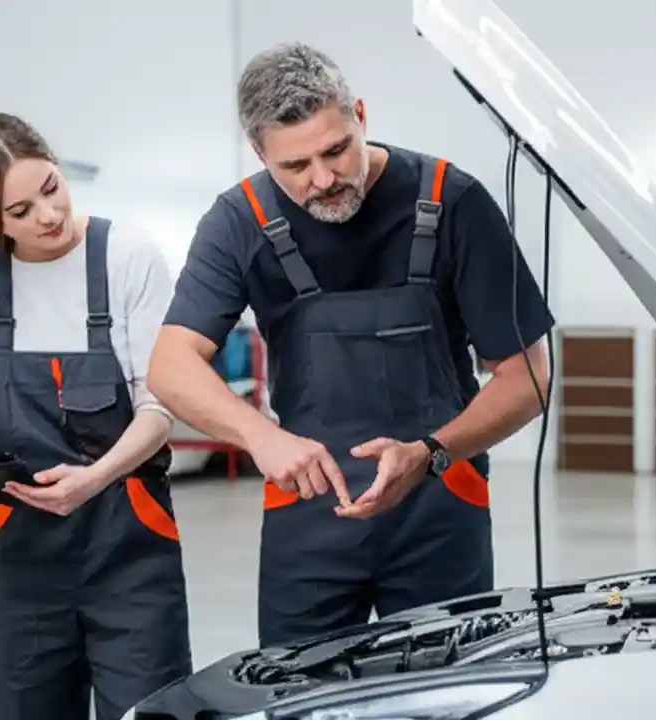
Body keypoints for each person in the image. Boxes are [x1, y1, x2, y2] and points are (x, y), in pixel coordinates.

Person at [148, 43, 554, 647]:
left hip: (440, 504)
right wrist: (261, 437)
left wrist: (431, 452)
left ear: (360, 114)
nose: (324, 179)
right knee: (299, 696)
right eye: (296, 166)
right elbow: (170, 365)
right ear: (260, 155)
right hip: (309, 513)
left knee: (448, 697)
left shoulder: (453, 202)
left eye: (337, 150)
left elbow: (529, 377)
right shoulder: (238, 220)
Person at [0, 112, 192, 720]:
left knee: (152, 710)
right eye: (21, 212)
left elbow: (160, 406)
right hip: (17, 564)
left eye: (51, 188)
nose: (49, 217)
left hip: (128, 551)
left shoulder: (128, 258)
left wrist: (96, 477)